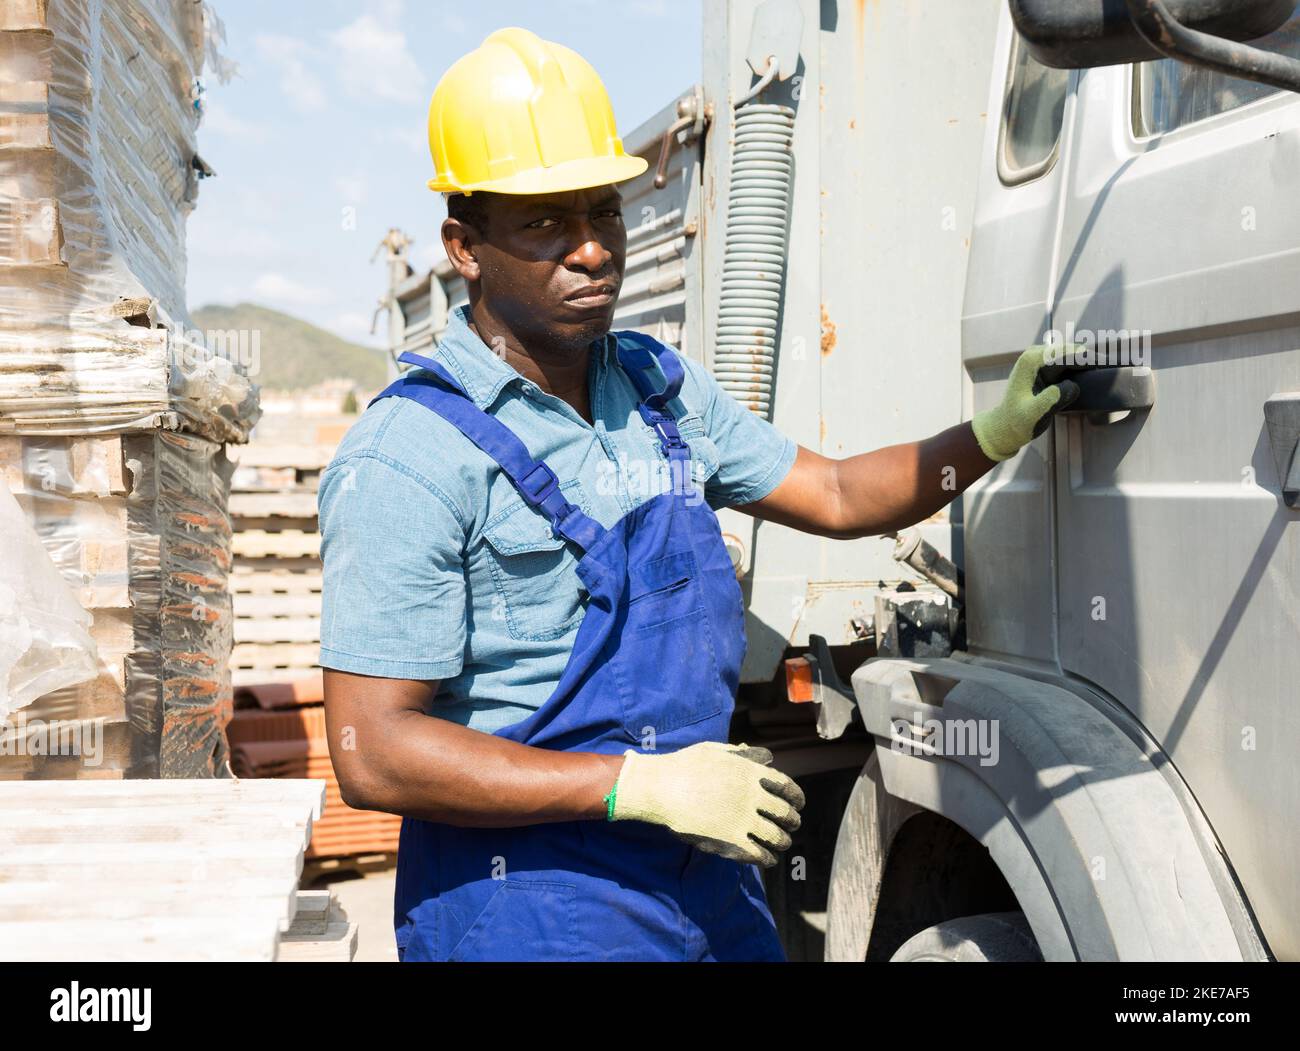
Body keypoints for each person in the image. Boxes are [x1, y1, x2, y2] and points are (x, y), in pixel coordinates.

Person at [317, 27, 1079, 962]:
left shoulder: (656, 385)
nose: (593, 249)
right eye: (546, 223)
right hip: (531, 906)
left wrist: (988, 438)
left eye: (606, 210)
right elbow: (370, 748)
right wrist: (632, 786)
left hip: (702, 883)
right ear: (464, 246)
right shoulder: (408, 455)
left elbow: (837, 493)